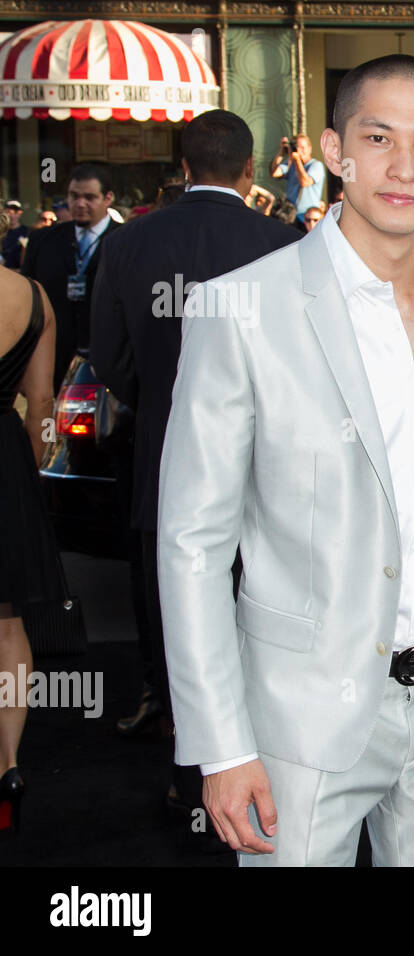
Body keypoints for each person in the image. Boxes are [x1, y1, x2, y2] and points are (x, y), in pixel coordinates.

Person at [156, 54, 414, 865]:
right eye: (378, 137)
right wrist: (221, 746)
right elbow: (192, 544)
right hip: (296, 718)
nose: (401, 166)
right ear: (333, 150)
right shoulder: (240, 308)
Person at [89, 109, 304, 825]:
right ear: (250, 171)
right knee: (272, 610)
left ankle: (193, 776)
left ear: (184, 168)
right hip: (278, 461)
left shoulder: (130, 244)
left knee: (177, 604)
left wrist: (159, 405)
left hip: (163, 452)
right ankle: (281, 769)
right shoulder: (287, 242)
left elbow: (111, 361)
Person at [0, 241, 59, 836]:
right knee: (8, 623)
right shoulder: (33, 296)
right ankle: (9, 764)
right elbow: (42, 403)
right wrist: (30, 468)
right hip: (8, 461)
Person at [21, 164, 120, 393]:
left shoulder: (126, 240)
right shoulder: (42, 241)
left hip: (106, 364)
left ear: (108, 198)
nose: (80, 204)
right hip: (50, 360)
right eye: (73, 196)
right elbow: (27, 300)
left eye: (89, 197)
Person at [269, 133, 326, 225]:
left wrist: (296, 160)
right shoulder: (291, 163)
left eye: (303, 148)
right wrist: (281, 153)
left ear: (310, 149)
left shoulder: (316, 165)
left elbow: (304, 182)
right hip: (290, 216)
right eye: (297, 147)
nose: (299, 151)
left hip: (308, 218)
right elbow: (274, 173)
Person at [2, 201, 28, 270]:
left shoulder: (26, 231)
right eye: (9, 212)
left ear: (20, 213)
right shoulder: (2, 232)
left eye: (16, 212)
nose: (12, 215)